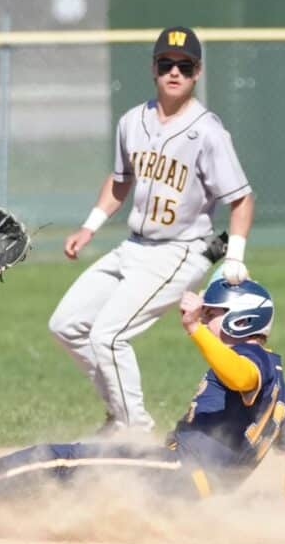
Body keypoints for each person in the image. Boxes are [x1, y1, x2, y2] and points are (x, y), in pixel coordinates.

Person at [0, 279, 285, 505]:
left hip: (177, 472)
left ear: (240, 320)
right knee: (81, 486)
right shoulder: (284, 394)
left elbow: (242, 378)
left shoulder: (249, 359)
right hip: (190, 489)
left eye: (212, 314)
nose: (204, 317)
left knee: (55, 461)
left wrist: (194, 330)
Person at [48, 26, 255, 436]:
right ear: (153, 69)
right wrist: (90, 226)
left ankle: (136, 433)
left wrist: (234, 257)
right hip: (133, 246)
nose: (174, 72)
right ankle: (119, 416)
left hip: (180, 250)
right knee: (66, 325)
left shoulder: (208, 132)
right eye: (166, 64)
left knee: (108, 336)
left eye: (184, 65)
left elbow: (242, 199)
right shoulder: (131, 122)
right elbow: (121, 181)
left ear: (197, 73)